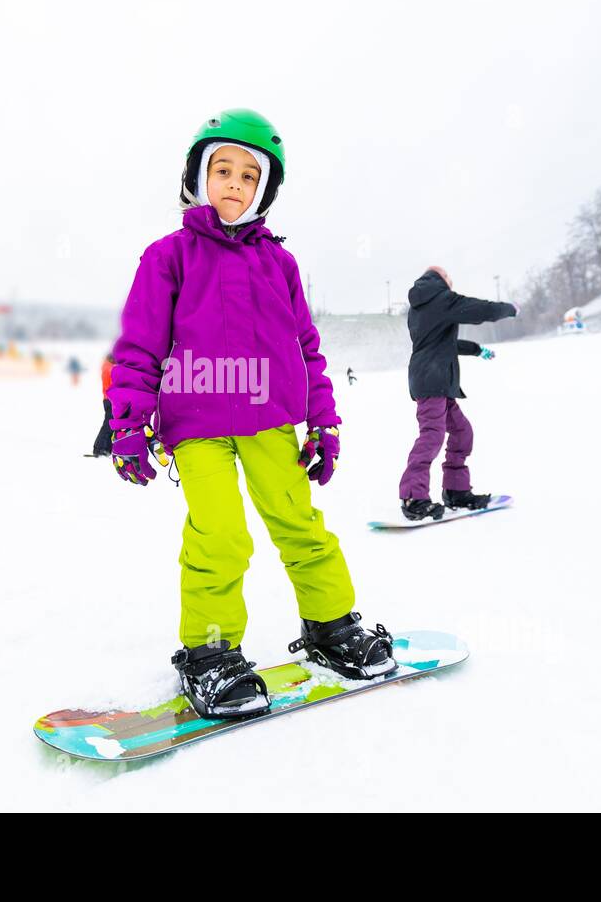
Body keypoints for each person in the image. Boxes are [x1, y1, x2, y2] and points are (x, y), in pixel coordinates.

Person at [108, 109, 396, 720]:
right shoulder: (168, 257)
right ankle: (210, 654)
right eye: (223, 170)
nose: (234, 184)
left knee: (300, 523)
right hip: (195, 424)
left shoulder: (279, 264)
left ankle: (331, 625)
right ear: (198, 176)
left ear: (264, 189)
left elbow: (307, 348)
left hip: (272, 420)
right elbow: (139, 346)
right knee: (221, 535)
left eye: (248, 175)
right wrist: (129, 424)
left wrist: (325, 421)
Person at [399, 266, 515, 521]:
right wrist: (507, 309)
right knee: (432, 436)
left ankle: (456, 490)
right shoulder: (440, 298)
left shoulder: (422, 306)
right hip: (432, 381)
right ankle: (412, 496)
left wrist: (475, 349)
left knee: (462, 432)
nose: (451, 283)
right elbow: (478, 309)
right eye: (449, 279)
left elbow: (441, 343)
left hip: (436, 380)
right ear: (441, 279)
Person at [92, 354, 115, 456]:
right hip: (110, 399)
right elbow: (110, 385)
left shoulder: (108, 367)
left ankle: (107, 447)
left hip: (109, 399)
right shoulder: (108, 368)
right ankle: (99, 448)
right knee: (108, 424)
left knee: (111, 424)